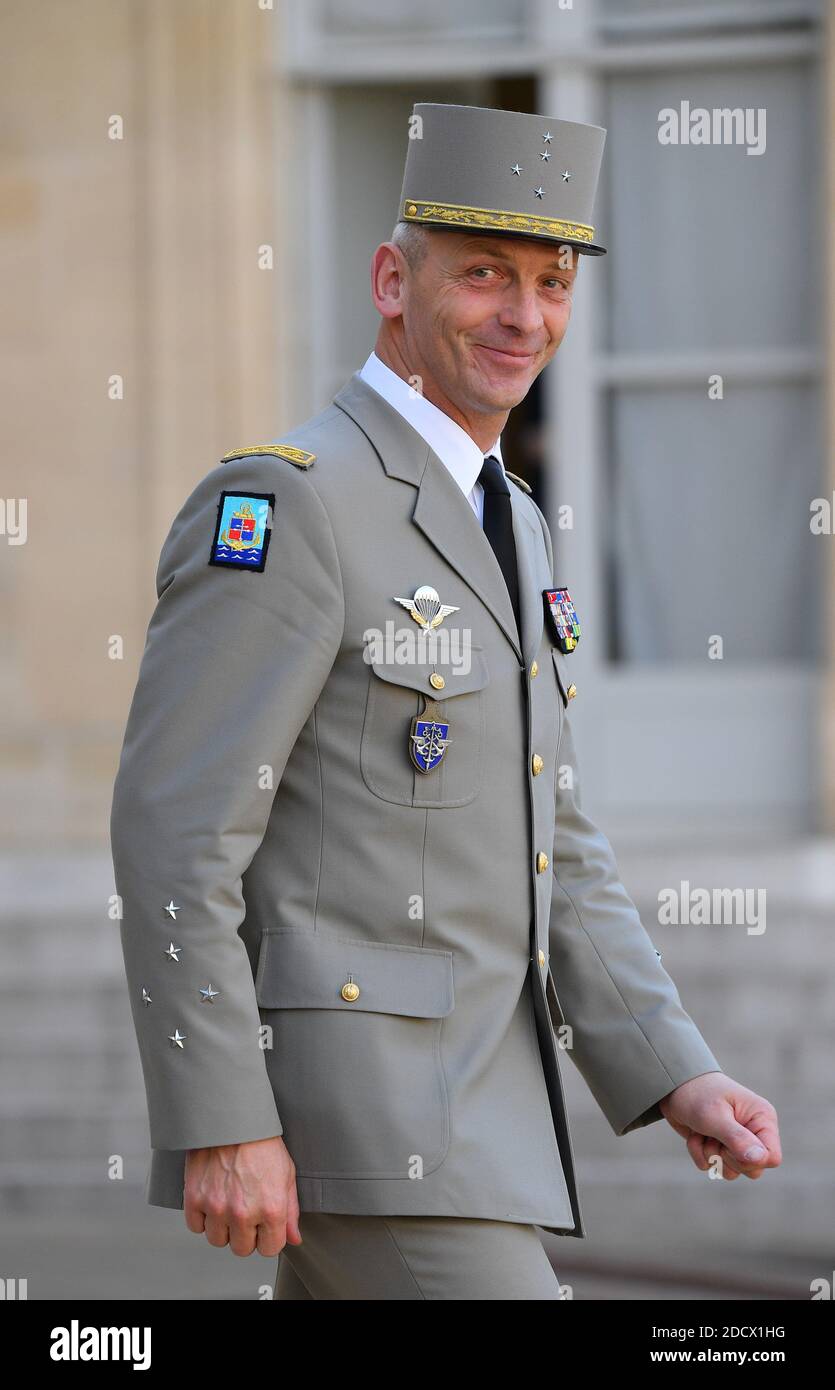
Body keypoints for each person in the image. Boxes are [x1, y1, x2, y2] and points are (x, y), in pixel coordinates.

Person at [110, 102, 781, 1301]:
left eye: (551, 281)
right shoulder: (289, 507)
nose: (524, 316)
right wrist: (223, 1116)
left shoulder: (511, 518)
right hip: (361, 1125)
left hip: (475, 1125)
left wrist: (674, 1068)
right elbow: (175, 829)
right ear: (390, 277)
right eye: (483, 274)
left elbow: (556, 843)